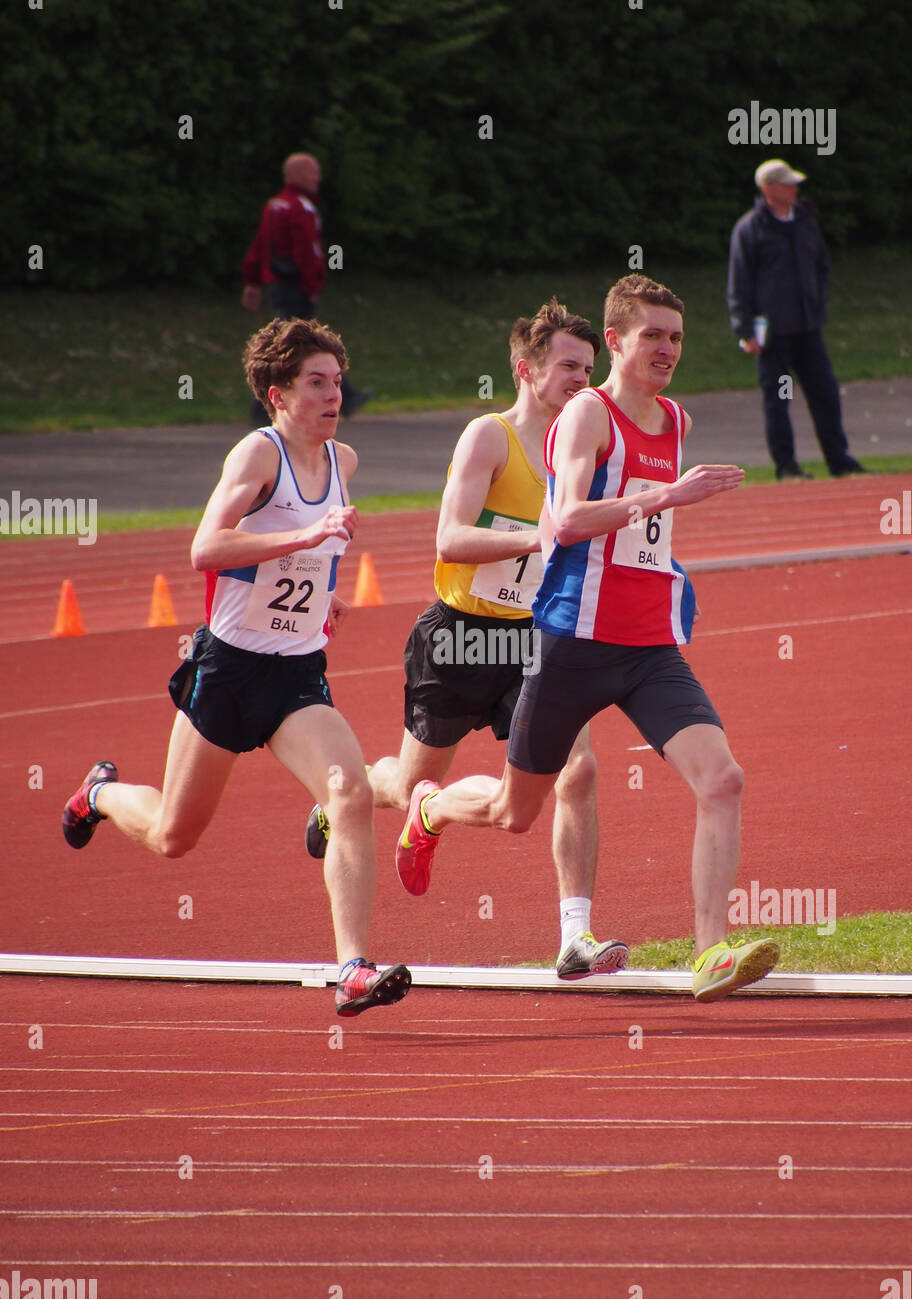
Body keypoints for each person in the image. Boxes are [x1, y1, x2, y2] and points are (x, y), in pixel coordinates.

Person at [394, 274, 780, 1003]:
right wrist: (665, 496)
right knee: (516, 813)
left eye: (676, 337)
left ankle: (711, 952)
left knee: (722, 778)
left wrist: (667, 566)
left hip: (647, 649)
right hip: (570, 643)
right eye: (652, 337)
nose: (668, 349)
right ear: (614, 341)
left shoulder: (674, 420)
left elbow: (641, 537)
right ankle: (432, 808)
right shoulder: (586, 417)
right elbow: (565, 521)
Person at [61, 318, 410, 1019]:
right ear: (278, 395)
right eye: (315, 382)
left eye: (337, 381)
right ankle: (97, 795)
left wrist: (321, 592)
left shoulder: (345, 463)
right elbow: (207, 548)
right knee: (173, 837)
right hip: (228, 671)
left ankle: (352, 968)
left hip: (296, 677)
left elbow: (301, 562)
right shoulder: (258, 455)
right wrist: (306, 536)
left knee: (347, 793)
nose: (332, 394)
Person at [306, 299, 629, 981]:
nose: (582, 380)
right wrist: (536, 538)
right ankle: (364, 797)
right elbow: (449, 538)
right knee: (410, 783)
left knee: (580, 770)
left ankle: (576, 936)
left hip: (535, 642)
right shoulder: (491, 438)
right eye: (569, 366)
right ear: (525, 369)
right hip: (461, 638)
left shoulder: (590, 450)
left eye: (589, 369)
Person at [727, 158, 866, 481]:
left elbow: (821, 265)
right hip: (772, 334)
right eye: (787, 183)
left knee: (825, 392)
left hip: (807, 327)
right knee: (778, 401)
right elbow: (739, 283)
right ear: (768, 189)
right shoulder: (750, 229)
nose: (794, 188)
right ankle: (786, 466)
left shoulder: (805, 221)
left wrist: (817, 303)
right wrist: (745, 329)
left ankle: (839, 461)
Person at [242, 153, 371, 419]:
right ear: (298, 175)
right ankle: (261, 405)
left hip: (278, 284)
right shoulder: (301, 208)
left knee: (299, 344)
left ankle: (347, 397)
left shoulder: (275, 206)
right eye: (313, 172)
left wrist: (253, 281)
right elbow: (308, 253)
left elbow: (259, 246)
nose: (318, 178)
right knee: (291, 347)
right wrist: (313, 284)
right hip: (296, 286)